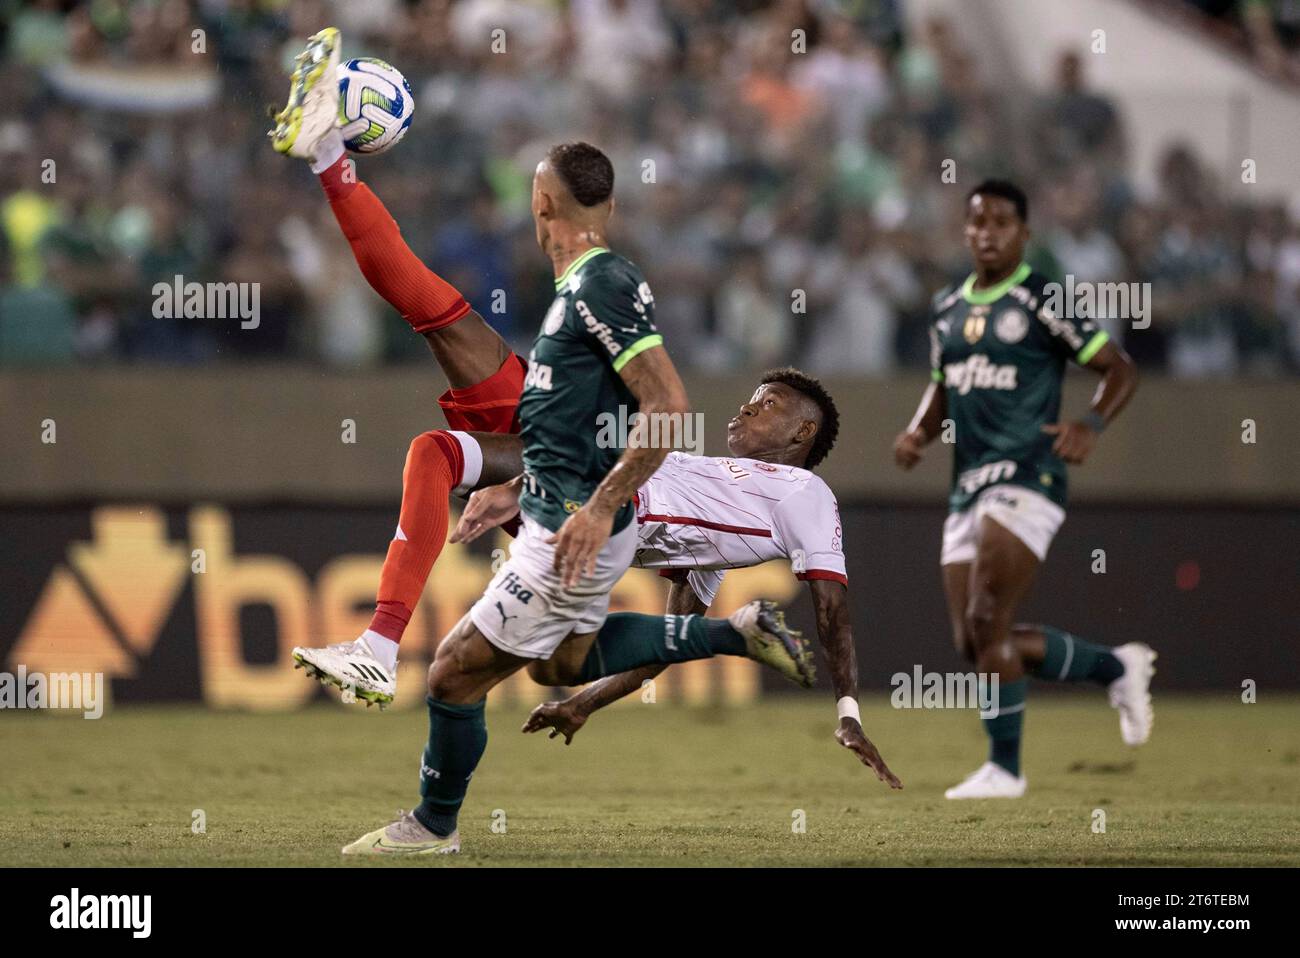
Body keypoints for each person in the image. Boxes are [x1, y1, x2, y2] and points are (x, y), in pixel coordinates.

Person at [892, 179, 1150, 800]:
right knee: (976, 642)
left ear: (1024, 234)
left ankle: (1004, 770)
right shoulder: (947, 305)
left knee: (986, 616)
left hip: (1029, 472)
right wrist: (917, 433)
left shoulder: (1042, 298)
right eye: (977, 222)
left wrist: (1089, 423)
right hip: (967, 485)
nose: (987, 232)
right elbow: (944, 385)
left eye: (1001, 223)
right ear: (964, 230)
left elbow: (1117, 367)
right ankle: (1117, 666)